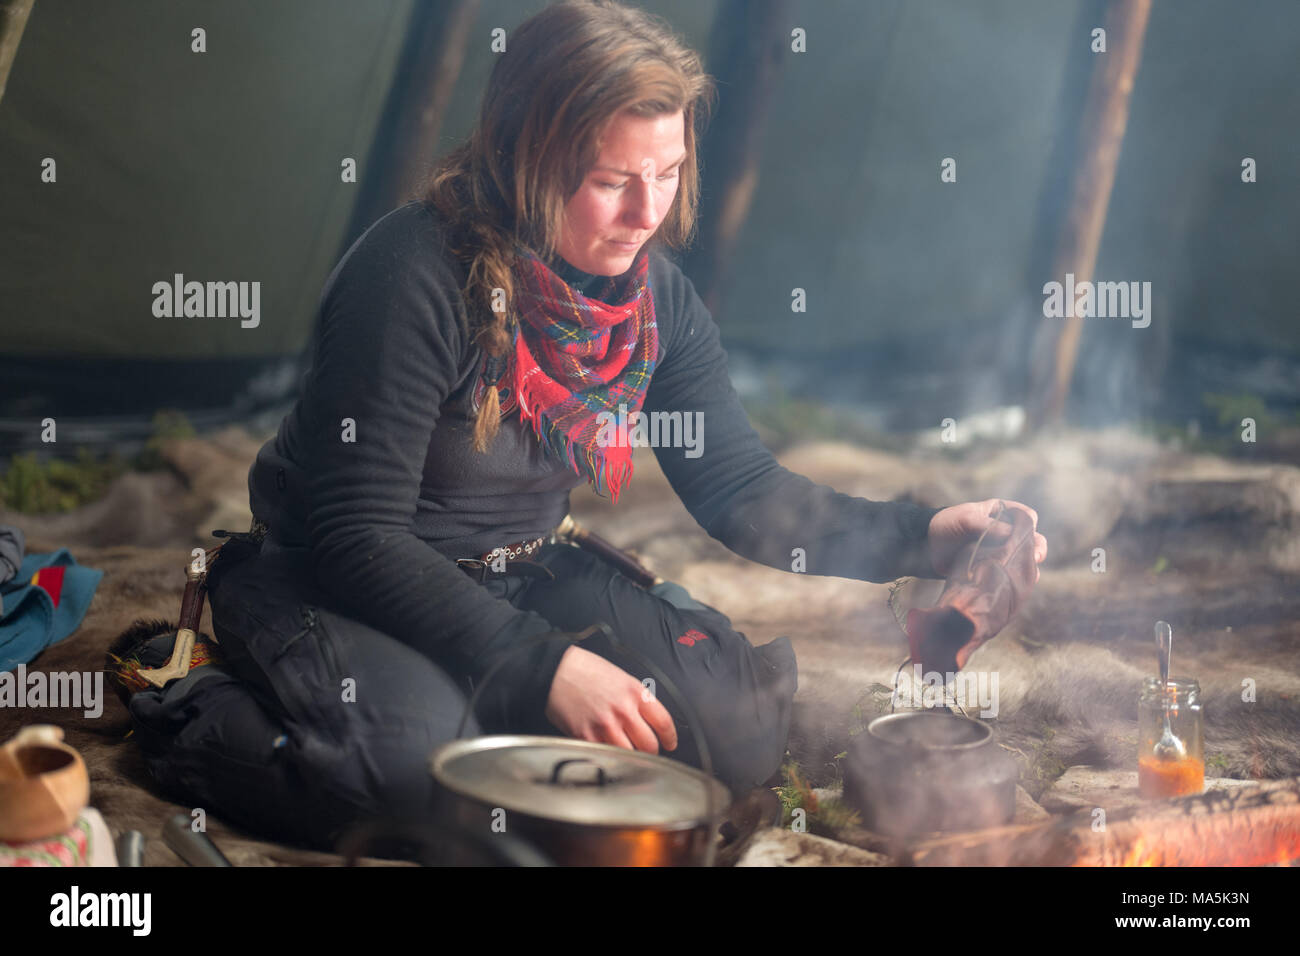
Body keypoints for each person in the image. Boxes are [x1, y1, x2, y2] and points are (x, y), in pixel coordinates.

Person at [116, 0, 1047, 853]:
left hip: (518, 566)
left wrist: (920, 533)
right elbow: (357, 536)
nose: (648, 214)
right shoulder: (411, 276)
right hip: (335, 576)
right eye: (612, 181)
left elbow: (743, 492)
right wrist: (540, 663)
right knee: (412, 782)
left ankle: (480, 703)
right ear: (528, 157)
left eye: (669, 173)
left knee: (732, 729)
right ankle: (191, 695)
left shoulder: (651, 307)